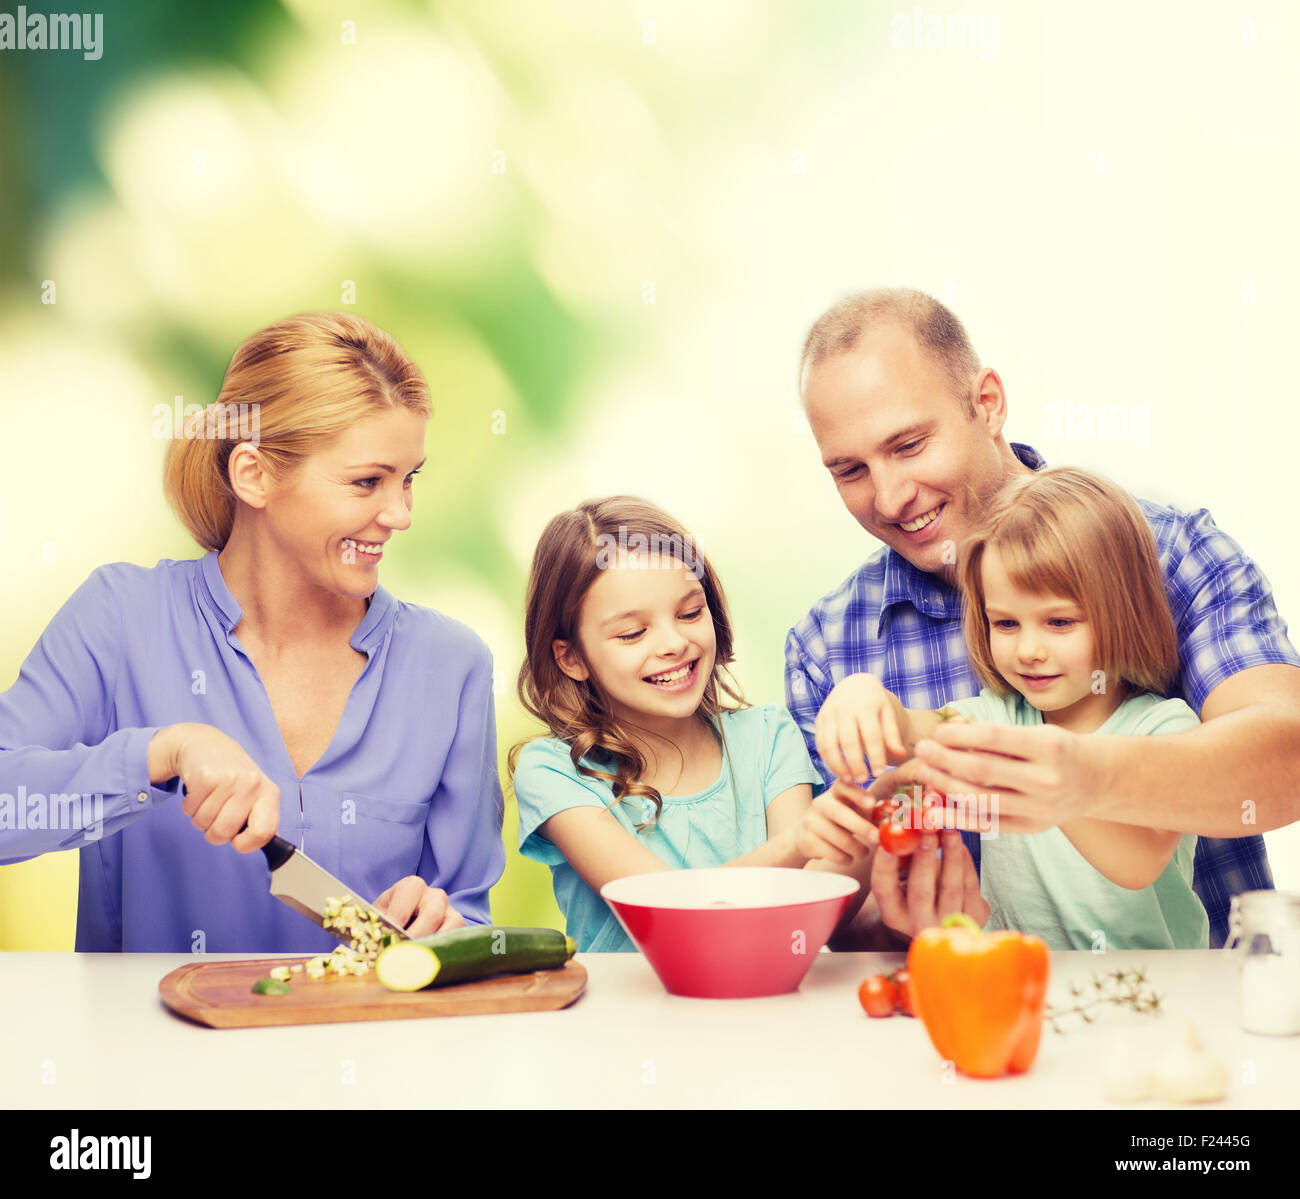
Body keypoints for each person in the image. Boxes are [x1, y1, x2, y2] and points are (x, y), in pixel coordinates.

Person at [785, 287, 1300, 947]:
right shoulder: (827, 644)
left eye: (910, 445)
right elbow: (825, 916)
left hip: (1197, 1011)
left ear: (988, 403)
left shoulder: (1167, 551)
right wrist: (896, 925)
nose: (889, 497)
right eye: (850, 470)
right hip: (980, 1007)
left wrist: (1088, 776)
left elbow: (1286, 759)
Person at [0, 312, 505, 951]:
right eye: (366, 482)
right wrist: (160, 753)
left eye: (409, 480)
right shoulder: (120, 618)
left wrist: (445, 924)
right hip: (149, 1050)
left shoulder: (450, 666)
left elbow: (471, 919)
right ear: (254, 475)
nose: (399, 514)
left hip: (372, 1047)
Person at [816, 466, 1209, 949]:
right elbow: (910, 730)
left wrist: (1046, 775)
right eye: (1005, 624)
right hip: (1020, 984)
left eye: (1059, 622)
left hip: (1142, 992)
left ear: (1125, 611)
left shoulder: (1165, 727)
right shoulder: (998, 717)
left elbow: (1138, 861)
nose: (1028, 650)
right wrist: (861, 693)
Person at [508, 496, 875, 951]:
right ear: (572, 657)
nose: (674, 643)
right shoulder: (554, 772)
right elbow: (668, 911)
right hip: (624, 1019)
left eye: (689, 613)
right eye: (632, 633)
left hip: (768, 1005)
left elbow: (804, 908)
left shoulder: (769, 736)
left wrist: (876, 817)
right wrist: (799, 842)